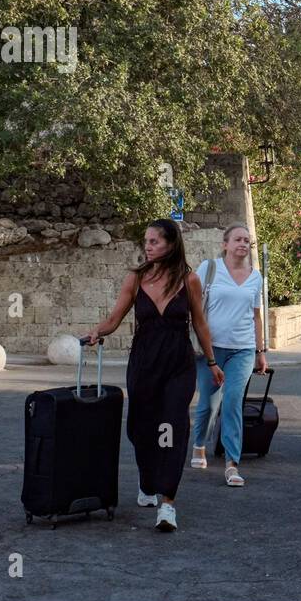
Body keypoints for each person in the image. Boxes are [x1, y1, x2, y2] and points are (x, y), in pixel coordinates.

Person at [87, 219, 222, 531]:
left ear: (171, 244)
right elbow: (114, 318)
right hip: (144, 363)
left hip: (178, 364)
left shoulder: (189, 280)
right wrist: (96, 332)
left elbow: (200, 324)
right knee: (140, 428)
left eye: (154, 242)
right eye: (146, 241)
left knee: (173, 426)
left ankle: (168, 504)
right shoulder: (135, 279)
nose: (147, 247)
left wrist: (212, 362)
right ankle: (147, 480)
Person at [188, 224, 268, 488]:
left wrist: (260, 352)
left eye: (246, 240)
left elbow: (256, 317)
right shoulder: (209, 268)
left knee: (233, 400)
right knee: (208, 404)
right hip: (210, 348)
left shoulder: (255, 277)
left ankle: (232, 463)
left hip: (243, 349)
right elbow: (193, 306)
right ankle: (199, 444)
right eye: (237, 239)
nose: (243, 244)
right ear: (225, 244)